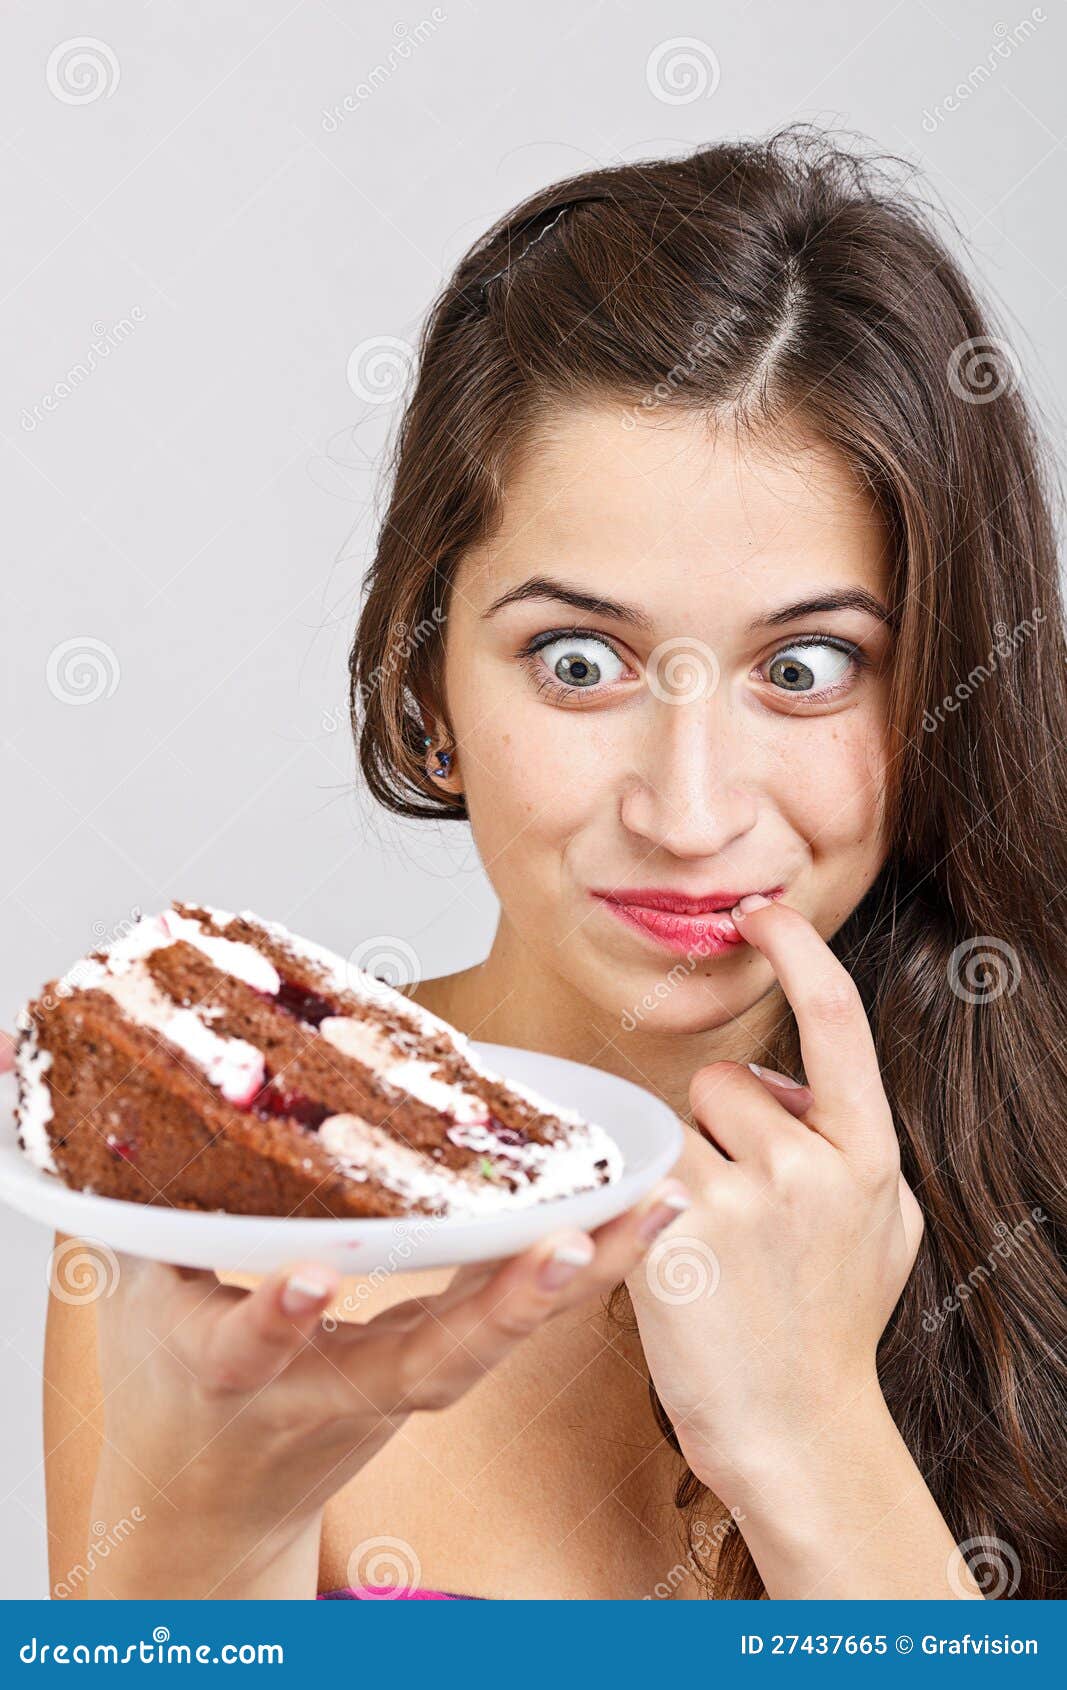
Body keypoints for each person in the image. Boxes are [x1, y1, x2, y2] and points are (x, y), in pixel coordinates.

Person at [38, 127, 1066, 1600]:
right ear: (428, 683)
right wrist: (197, 1544)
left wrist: (815, 1434)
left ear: (940, 697)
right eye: (579, 661)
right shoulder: (227, 1230)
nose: (689, 808)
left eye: (810, 665)